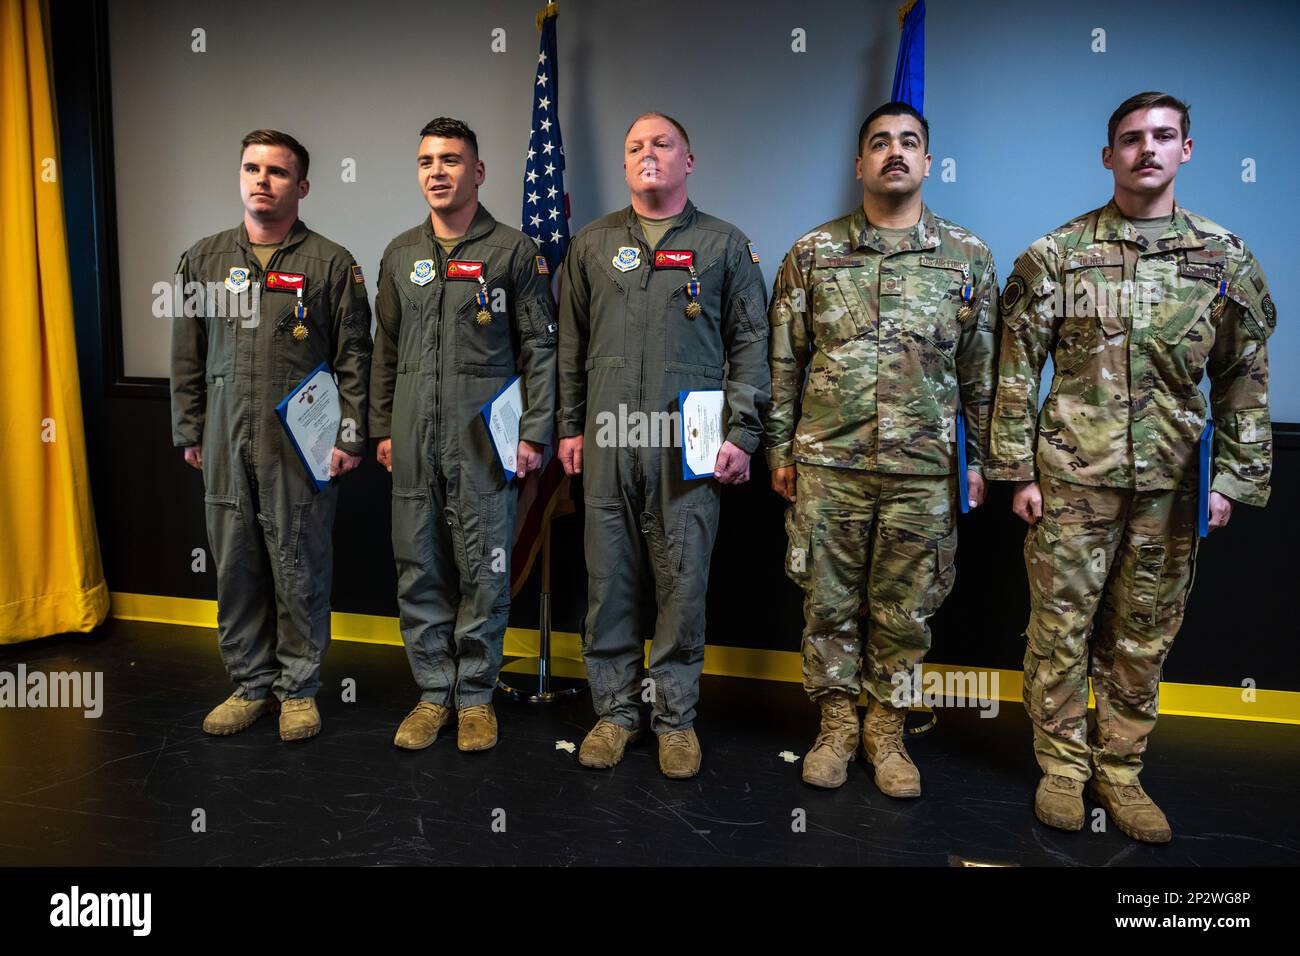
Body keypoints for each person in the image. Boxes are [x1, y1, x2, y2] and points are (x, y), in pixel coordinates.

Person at [987, 92, 1276, 842]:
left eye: (1163, 136)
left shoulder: (1224, 257)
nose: (1146, 149)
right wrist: (1018, 473)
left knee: (1143, 633)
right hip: (1072, 483)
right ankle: (1061, 770)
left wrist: (1232, 481)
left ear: (1187, 148)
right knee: (1059, 629)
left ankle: (1121, 773)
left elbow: (1244, 373)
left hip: (1173, 489)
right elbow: (1015, 371)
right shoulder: (1057, 254)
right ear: (1107, 155)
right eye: (1130, 138)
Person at [765, 102, 998, 795]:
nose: (894, 153)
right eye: (879, 143)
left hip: (924, 473)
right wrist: (780, 449)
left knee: (908, 610)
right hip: (829, 466)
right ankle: (837, 727)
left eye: (909, 143)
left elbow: (983, 372)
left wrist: (978, 461)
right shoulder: (812, 254)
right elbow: (784, 362)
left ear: (929, 161)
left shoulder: (968, 257)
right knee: (827, 605)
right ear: (859, 164)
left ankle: (887, 731)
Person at [556, 112, 770, 778]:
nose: (647, 154)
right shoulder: (591, 244)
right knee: (609, 586)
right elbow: (569, 346)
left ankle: (675, 720)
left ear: (689, 160)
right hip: (608, 441)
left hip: (690, 446)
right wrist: (568, 427)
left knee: (683, 586)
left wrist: (743, 431)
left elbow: (750, 345)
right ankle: (616, 713)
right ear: (625, 167)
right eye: (634, 147)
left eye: (662, 144)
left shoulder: (724, 246)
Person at [171, 129, 372, 741]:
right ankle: (250, 685)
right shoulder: (203, 260)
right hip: (227, 438)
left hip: (301, 444)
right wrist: (190, 426)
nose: (262, 180)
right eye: (252, 169)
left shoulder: (331, 265)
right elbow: (187, 353)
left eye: (277, 172)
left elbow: (354, 358)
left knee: (300, 563)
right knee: (235, 564)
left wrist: (350, 436)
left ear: (302, 187)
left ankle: (299, 689)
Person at [370, 117, 557, 753]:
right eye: (427, 161)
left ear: (478, 171)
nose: (438, 172)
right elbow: (385, 348)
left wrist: (534, 432)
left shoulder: (514, 251)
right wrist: (380, 428)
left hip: (486, 438)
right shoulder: (400, 254)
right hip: (412, 435)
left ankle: (475, 697)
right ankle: (431, 694)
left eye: (451, 160)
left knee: (483, 565)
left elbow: (540, 347)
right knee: (417, 564)